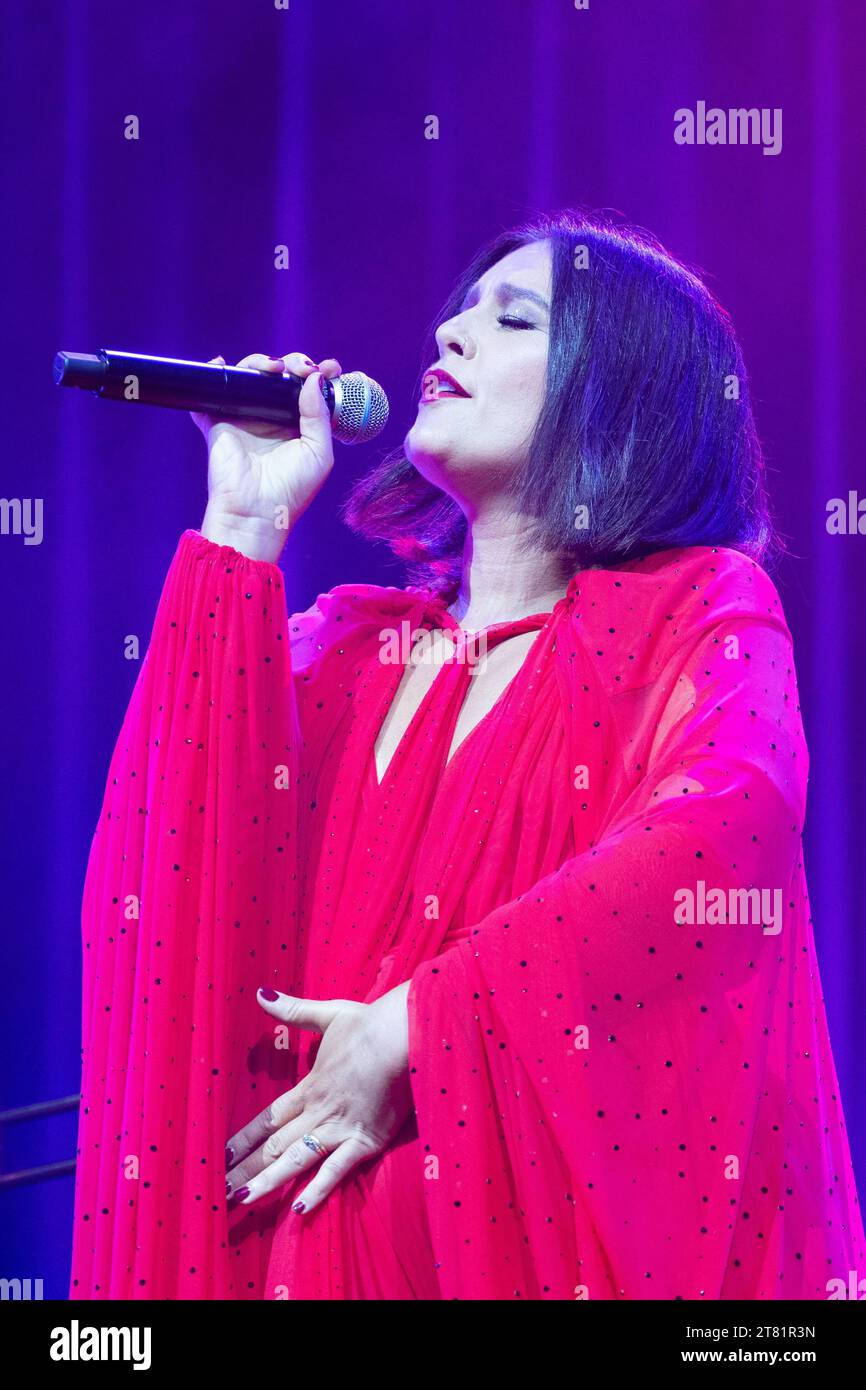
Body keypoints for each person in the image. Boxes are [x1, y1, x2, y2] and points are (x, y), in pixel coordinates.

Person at [70, 210, 864, 1300]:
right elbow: (169, 904)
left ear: (618, 384)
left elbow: (719, 835)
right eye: (459, 310)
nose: (449, 332)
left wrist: (421, 1023)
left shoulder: (696, 618)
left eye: (512, 317)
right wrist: (240, 529)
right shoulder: (344, 652)